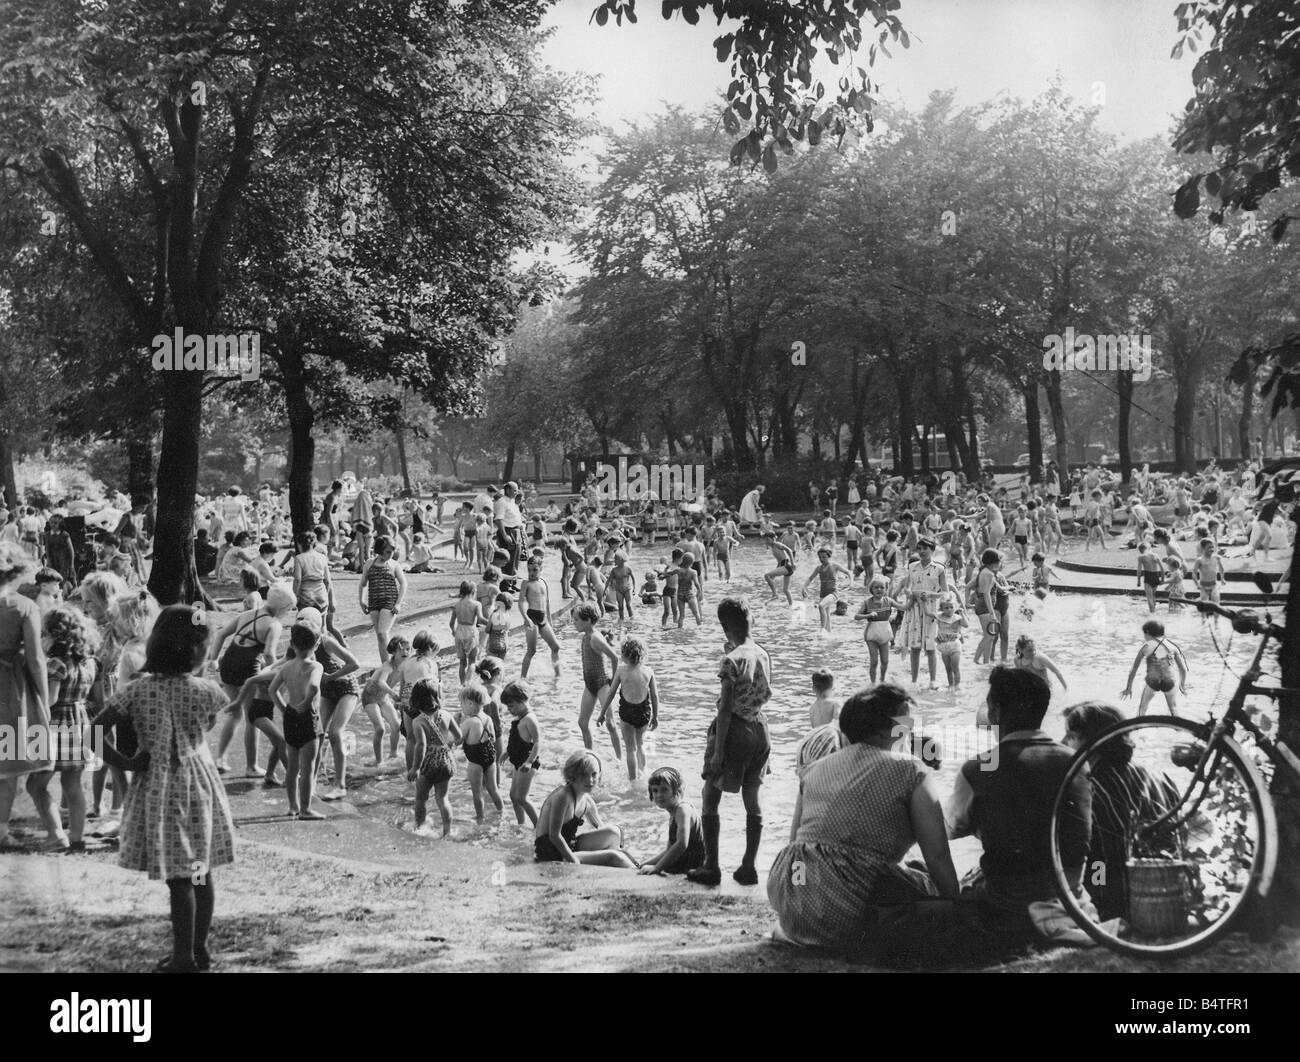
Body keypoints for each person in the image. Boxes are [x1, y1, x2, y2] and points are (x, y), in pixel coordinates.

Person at [95, 604, 235, 971]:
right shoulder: (207, 691)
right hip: (199, 784)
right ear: (197, 651)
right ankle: (199, 949)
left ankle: (183, 957)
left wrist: (124, 762)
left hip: (160, 784)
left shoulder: (138, 691)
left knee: (179, 878)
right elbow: (204, 725)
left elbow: (93, 729)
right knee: (200, 872)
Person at [767, 684, 960, 949]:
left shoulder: (812, 770)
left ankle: (799, 927)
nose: (912, 726)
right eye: (907, 719)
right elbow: (937, 853)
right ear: (883, 729)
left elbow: (796, 847)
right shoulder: (912, 772)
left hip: (794, 901)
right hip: (849, 912)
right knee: (926, 882)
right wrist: (956, 906)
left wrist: (801, 895)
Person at [945, 667, 1092, 939]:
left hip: (1008, 905)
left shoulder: (980, 766)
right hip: (1072, 898)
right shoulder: (1075, 761)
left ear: (996, 713)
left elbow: (950, 828)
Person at [1061, 701, 1181, 922]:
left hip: (1119, 903)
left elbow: (1099, 859)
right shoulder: (1159, 777)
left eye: (1070, 736)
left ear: (1090, 741)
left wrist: (1096, 898)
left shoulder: (1093, 789)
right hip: (1169, 894)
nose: (1063, 742)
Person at [688, 597, 771, 887]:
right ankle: (749, 866)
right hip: (760, 728)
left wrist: (718, 751)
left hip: (734, 729)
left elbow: (725, 708)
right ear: (751, 622)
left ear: (726, 628)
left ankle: (711, 866)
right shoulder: (762, 652)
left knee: (711, 795)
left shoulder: (731, 660)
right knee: (752, 798)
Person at [210, 584, 293, 779]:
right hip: (247, 668)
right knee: (251, 718)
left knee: (235, 712)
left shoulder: (248, 614)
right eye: (289, 610)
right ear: (282, 608)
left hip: (228, 663)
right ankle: (251, 766)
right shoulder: (274, 624)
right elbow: (270, 654)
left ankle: (221, 757)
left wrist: (214, 659)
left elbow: (221, 634)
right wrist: (278, 677)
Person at [534, 750, 636, 867]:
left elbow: (601, 828)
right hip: (550, 852)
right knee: (614, 857)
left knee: (614, 833)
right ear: (572, 775)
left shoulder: (587, 801)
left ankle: (619, 867)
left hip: (569, 845)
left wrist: (621, 850)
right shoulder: (563, 796)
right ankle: (638, 874)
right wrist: (574, 861)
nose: (590, 780)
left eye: (594, 774)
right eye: (584, 775)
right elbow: (554, 835)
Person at [269, 622, 326, 820]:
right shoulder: (316, 666)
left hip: (290, 716)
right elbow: (314, 687)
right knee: (308, 769)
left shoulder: (286, 667)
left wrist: (284, 708)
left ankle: (292, 806)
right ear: (317, 644)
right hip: (308, 717)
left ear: (292, 644)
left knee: (292, 767)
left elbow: (271, 690)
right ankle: (305, 809)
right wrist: (305, 704)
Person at [599, 635, 659, 781]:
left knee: (630, 749)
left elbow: (611, 693)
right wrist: (656, 716)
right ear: (642, 654)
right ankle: (643, 775)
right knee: (641, 746)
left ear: (624, 655)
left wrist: (602, 713)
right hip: (643, 712)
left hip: (627, 713)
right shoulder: (649, 671)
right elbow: (655, 696)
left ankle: (632, 781)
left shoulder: (621, 671)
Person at [406, 679, 461, 837]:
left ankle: (419, 827)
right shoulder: (446, 715)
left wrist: (415, 768)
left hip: (428, 763)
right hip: (446, 760)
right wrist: (448, 746)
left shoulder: (418, 722)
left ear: (415, 700)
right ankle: (447, 832)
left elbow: (421, 746)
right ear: (438, 697)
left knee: (421, 798)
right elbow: (459, 736)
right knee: (443, 798)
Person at [638, 766, 706, 876]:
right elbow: (668, 850)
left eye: (664, 789)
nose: (659, 795)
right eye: (655, 790)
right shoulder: (674, 813)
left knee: (615, 857)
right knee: (629, 864)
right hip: (684, 863)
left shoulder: (682, 810)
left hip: (692, 868)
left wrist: (657, 868)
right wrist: (642, 865)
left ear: (677, 791)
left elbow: (681, 844)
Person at [900, 538, 948, 689]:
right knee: (914, 646)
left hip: (931, 608)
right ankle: (914, 681)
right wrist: (910, 593)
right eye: (919, 548)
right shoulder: (912, 566)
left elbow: (945, 592)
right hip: (914, 608)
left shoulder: (939, 568)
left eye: (925, 548)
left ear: (932, 550)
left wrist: (930, 595)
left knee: (930, 646)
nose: (921, 551)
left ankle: (933, 680)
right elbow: (906, 587)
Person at [1121, 619, 1188, 715]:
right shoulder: (1172, 646)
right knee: (1173, 708)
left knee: (1142, 707)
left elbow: (1134, 669)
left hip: (1153, 681)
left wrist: (1128, 687)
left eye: (1144, 634)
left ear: (1147, 633)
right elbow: (1183, 669)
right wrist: (1182, 685)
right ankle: (1179, 728)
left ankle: (1137, 728)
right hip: (1170, 681)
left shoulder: (1146, 646)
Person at [499, 679, 542, 826]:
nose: (509, 710)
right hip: (518, 761)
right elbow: (517, 741)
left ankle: (539, 826)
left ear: (523, 699)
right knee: (513, 796)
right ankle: (521, 823)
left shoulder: (530, 719)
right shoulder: (519, 717)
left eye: (511, 706)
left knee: (522, 798)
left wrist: (529, 762)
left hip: (527, 762)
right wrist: (507, 753)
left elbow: (537, 743)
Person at [458, 683, 502, 822]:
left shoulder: (470, 722)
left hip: (475, 760)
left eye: (462, 703)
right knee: (493, 788)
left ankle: (480, 817)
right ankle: (501, 810)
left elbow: (458, 740)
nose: (461, 707)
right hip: (489, 757)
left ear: (470, 703)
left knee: (477, 792)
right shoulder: (487, 718)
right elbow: (493, 737)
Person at [359, 536, 405, 664]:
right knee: (380, 636)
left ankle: (390, 664)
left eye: (392, 551)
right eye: (387, 552)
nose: (391, 554)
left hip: (389, 601)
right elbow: (363, 584)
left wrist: (398, 603)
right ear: (379, 551)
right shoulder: (369, 563)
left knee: (383, 633)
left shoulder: (394, 565)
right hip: (374, 601)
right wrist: (361, 601)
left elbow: (403, 584)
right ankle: (385, 663)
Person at [360, 637, 405, 765]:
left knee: (396, 726)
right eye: (401, 650)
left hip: (383, 698)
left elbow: (404, 683)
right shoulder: (387, 666)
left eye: (408, 649)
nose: (405, 652)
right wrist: (393, 694)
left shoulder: (404, 667)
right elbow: (381, 682)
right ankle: (379, 761)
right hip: (370, 697)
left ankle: (393, 753)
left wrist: (401, 699)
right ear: (394, 652)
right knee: (380, 729)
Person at [517, 557, 561, 678]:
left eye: (535, 570)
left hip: (543, 619)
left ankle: (557, 676)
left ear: (541, 569)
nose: (531, 573)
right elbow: (520, 602)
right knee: (532, 651)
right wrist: (526, 618)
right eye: (529, 570)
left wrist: (550, 622)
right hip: (532, 618)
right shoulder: (526, 583)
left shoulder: (543, 582)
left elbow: (547, 603)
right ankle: (522, 678)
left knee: (556, 647)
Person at [858, 576, 902, 684]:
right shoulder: (867, 603)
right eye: (876, 587)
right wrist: (868, 615)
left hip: (884, 633)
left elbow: (903, 607)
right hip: (871, 634)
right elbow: (856, 616)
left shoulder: (889, 601)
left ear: (886, 590)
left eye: (882, 587)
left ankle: (882, 680)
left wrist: (913, 599)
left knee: (885, 661)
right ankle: (873, 683)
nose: (879, 590)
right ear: (871, 589)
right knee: (874, 661)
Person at [801, 547, 852, 634]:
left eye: (824, 557)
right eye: (820, 557)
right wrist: (804, 587)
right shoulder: (818, 568)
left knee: (821, 606)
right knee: (827, 615)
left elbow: (848, 572)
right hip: (823, 594)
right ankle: (828, 634)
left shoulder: (834, 565)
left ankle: (822, 630)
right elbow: (810, 578)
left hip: (833, 594)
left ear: (829, 556)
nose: (822, 559)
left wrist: (851, 583)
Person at [448, 580, 485, 683]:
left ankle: (462, 684)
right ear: (473, 591)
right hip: (471, 633)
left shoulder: (456, 605)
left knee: (462, 663)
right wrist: (491, 622)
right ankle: (468, 683)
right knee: (472, 662)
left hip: (459, 632)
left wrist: (453, 631)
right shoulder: (476, 604)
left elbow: (451, 623)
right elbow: (481, 619)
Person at [935, 594, 969, 689]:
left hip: (955, 645)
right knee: (948, 668)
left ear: (955, 607)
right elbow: (929, 616)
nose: (949, 609)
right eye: (946, 608)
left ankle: (957, 686)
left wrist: (962, 613)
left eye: (951, 607)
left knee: (955, 667)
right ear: (942, 609)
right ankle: (951, 685)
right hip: (943, 645)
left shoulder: (957, 617)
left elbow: (966, 625)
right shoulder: (940, 617)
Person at [763, 531, 798, 604]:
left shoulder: (777, 544)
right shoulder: (772, 547)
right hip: (783, 566)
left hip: (787, 566)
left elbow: (789, 550)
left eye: (768, 539)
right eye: (765, 539)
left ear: (773, 539)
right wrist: (774, 573)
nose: (766, 541)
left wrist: (792, 563)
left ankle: (775, 594)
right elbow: (779, 561)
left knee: (766, 575)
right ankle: (791, 605)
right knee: (785, 590)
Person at [1136, 541, 1162, 614]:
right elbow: (1162, 568)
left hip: (1148, 576)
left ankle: (1152, 614)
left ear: (1140, 550)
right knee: (1153, 595)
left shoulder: (1141, 557)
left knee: (1149, 597)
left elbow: (1139, 570)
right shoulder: (1155, 555)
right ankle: (1154, 610)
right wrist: (1162, 579)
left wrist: (1138, 580)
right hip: (1156, 576)